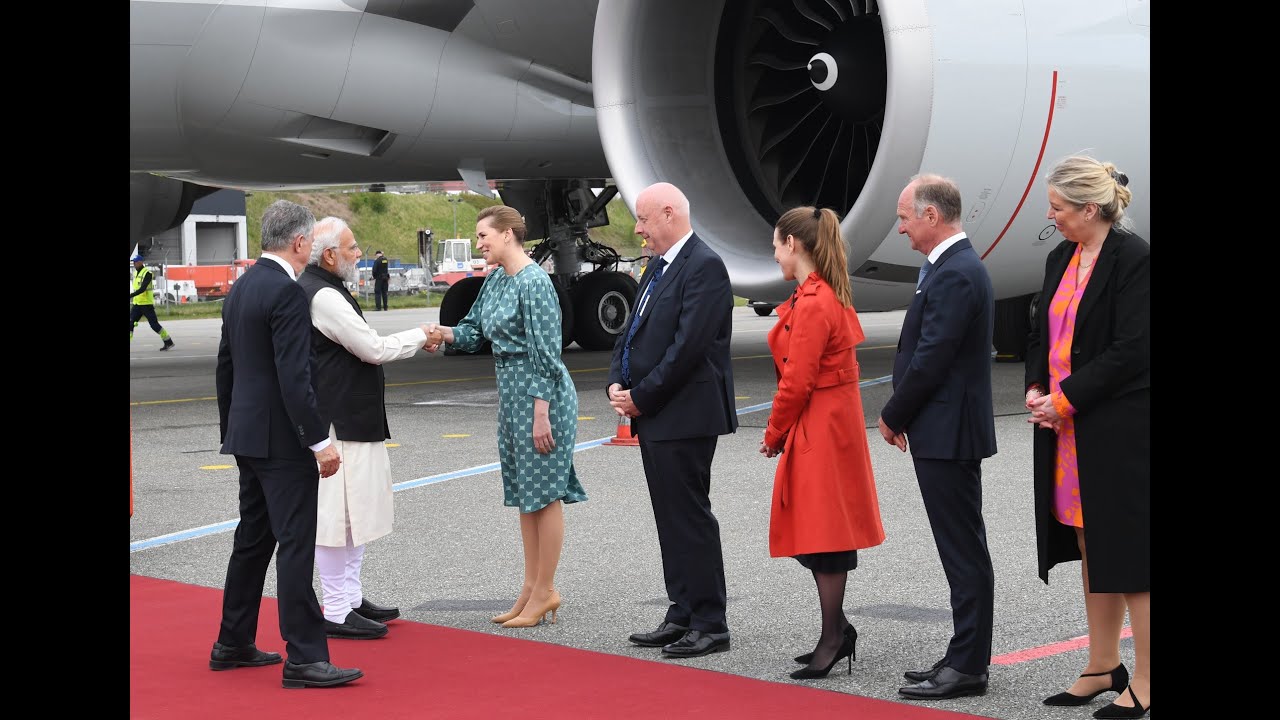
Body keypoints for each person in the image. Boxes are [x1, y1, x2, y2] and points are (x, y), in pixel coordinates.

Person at [211, 199, 363, 689]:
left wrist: (232, 429)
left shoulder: (242, 289)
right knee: (296, 544)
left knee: (253, 541)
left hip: (248, 436)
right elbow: (296, 379)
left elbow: (226, 369)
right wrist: (319, 442)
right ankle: (305, 656)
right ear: (300, 243)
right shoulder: (288, 293)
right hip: (282, 442)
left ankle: (232, 641)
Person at [1026, 156, 1149, 719]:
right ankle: (1102, 666)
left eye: (1057, 207)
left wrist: (1067, 397)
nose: (1051, 217)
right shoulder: (1061, 256)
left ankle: (1147, 679)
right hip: (1067, 428)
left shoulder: (1134, 258)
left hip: (1117, 427)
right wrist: (1035, 387)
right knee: (1087, 542)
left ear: (1089, 208)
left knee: (1132, 556)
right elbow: (1039, 328)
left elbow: (1133, 349)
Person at [424, 205, 587, 628]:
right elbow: (474, 331)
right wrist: (444, 333)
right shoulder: (498, 278)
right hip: (512, 393)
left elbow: (547, 353)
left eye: (483, 236)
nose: (479, 244)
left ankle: (546, 589)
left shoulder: (534, 283)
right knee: (525, 493)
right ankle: (531, 589)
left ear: (508, 234)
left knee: (546, 494)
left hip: (541, 396)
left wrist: (541, 412)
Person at [877, 174, 996, 700]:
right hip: (940, 427)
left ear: (931, 216)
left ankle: (969, 665)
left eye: (905, 217)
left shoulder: (956, 272)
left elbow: (932, 358)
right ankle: (962, 653)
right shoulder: (946, 267)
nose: (900, 228)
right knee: (958, 548)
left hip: (948, 430)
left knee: (962, 549)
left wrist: (893, 413)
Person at [607, 182, 738, 659]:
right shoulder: (658, 267)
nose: (638, 230)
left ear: (668, 214)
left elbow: (689, 348)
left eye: (643, 220)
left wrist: (642, 396)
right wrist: (616, 382)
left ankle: (710, 621)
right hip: (657, 414)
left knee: (689, 517)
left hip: (685, 414)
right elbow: (632, 332)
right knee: (670, 517)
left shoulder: (703, 265)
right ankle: (682, 609)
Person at [759, 206, 885, 680]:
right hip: (828, 424)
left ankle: (834, 636)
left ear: (793, 244)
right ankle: (836, 628)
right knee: (815, 527)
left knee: (822, 531)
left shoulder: (814, 301)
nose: (774, 255)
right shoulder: (820, 294)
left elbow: (797, 382)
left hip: (822, 426)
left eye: (776, 245)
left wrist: (774, 434)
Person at [299, 217, 433, 641]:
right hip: (340, 422)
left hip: (350, 416)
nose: (360, 253)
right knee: (336, 518)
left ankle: (351, 599)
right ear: (330, 255)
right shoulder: (324, 296)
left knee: (354, 515)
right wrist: (420, 334)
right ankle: (336, 609)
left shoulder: (324, 288)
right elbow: (371, 348)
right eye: (352, 247)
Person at [130, 255, 175, 350]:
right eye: (133, 262)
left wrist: (131, 295)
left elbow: (143, 289)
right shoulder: (135, 273)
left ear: (141, 262)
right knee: (130, 323)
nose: (134, 264)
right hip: (137, 304)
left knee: (154, 325)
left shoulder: (148, 273)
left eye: (136, 262)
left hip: (146, 305)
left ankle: (168, 342)